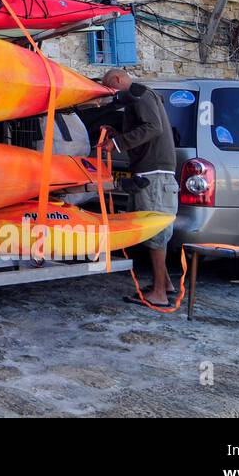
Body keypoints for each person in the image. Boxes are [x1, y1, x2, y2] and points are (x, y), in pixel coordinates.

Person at [101, 69, 178, 306]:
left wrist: (118, 142)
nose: (112, 94)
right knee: (149, 230)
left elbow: (154, 127)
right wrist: (119, 134)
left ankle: (159, 295)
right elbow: (147, 129)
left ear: (117, 80)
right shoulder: (141, 97)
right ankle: (164, 284)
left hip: (155, 175)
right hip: (149, 172)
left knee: (155, 233)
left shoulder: (141, 95)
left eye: (111, 88)